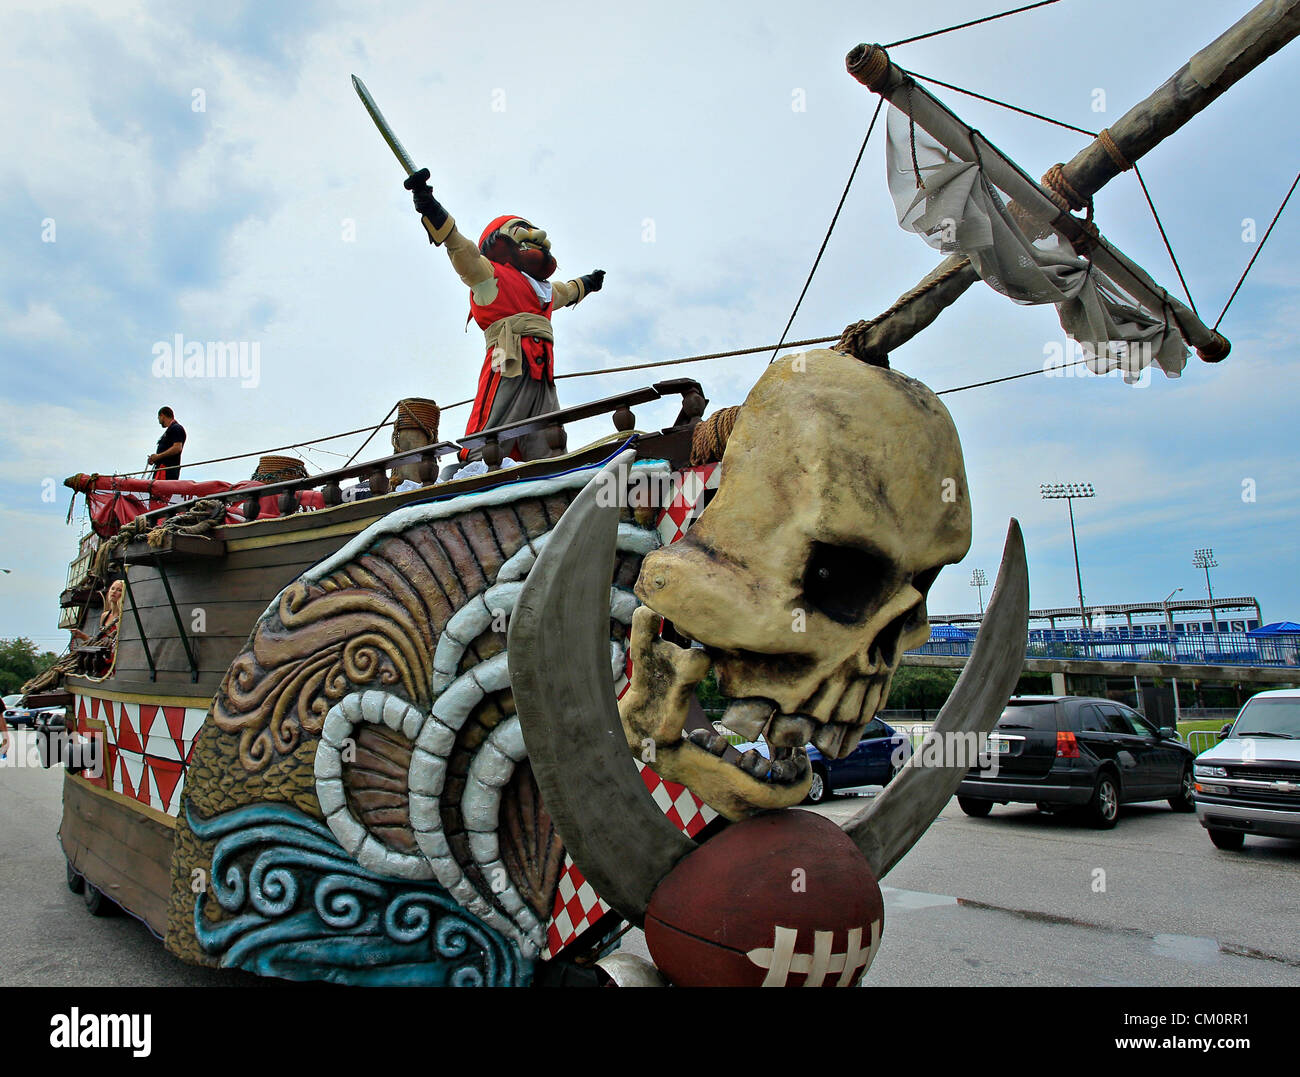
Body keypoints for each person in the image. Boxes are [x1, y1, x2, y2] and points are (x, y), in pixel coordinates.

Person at [404, 169, 605, 467]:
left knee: (547, 424)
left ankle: (553, 467)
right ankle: (474, 465)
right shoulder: (492, 277)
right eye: (523, 230)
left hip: (542, 367)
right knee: (496, 412)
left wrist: (587, 283)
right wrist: (431, 208)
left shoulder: (544, 290)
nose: (537, 236)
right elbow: (462, 250)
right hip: (505, 354)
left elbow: (566, 292)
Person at [148, 407, 187, 479]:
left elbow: (177, 448)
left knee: (162, 490)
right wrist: (154, 459)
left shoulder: (176, 428)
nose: (159, 421)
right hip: (161, 469)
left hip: (167, 471)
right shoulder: (170, 430)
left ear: (162, 416)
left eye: (158, 418)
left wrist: (158, 456)